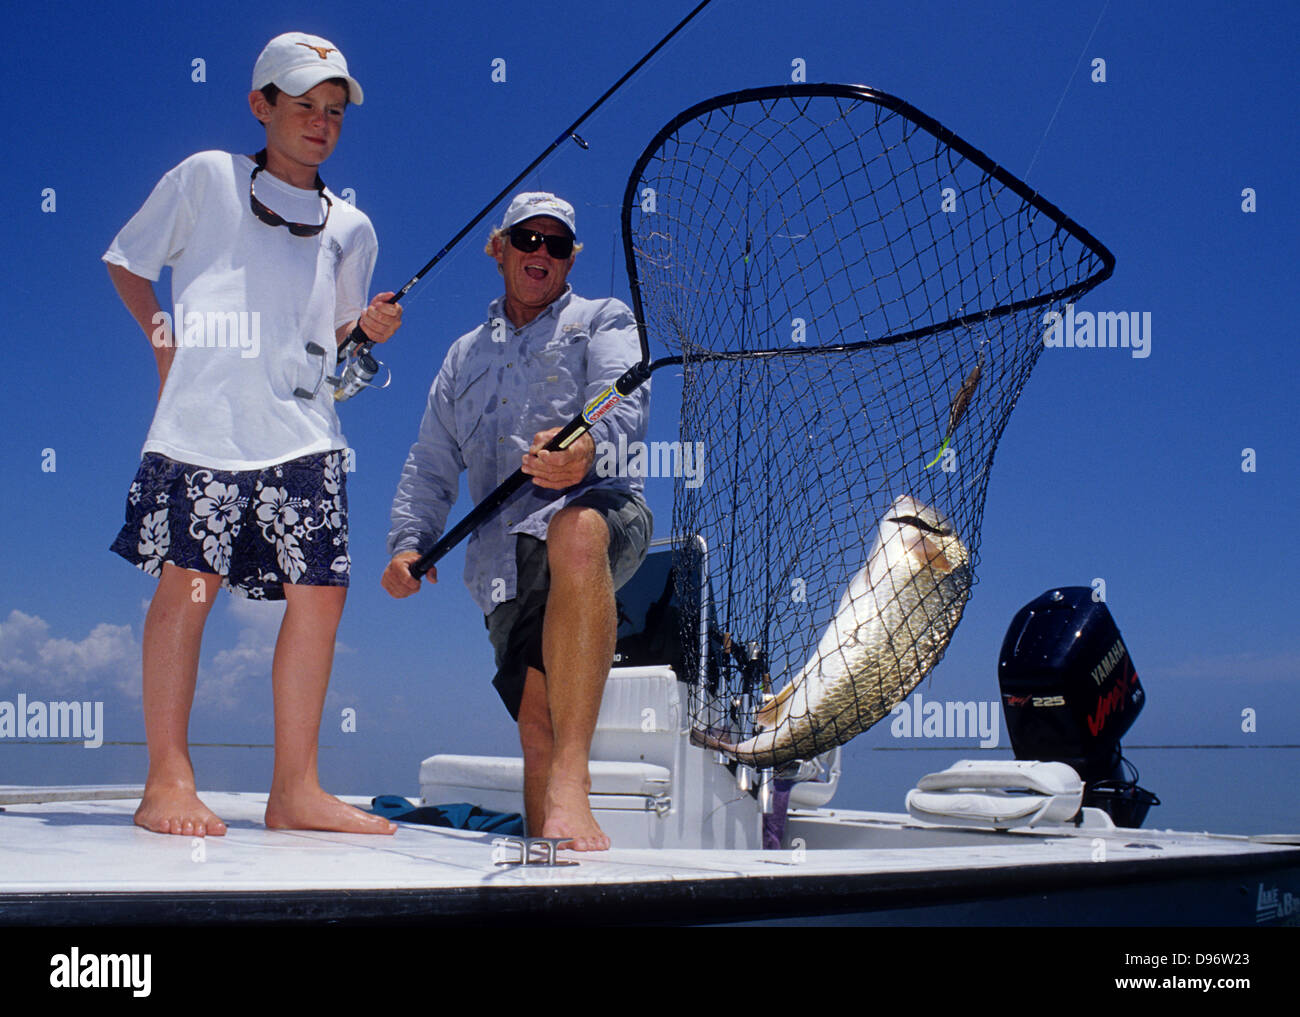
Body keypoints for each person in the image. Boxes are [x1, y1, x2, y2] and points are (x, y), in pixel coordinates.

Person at [104, 32, 401, 837]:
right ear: (260, 105)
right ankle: (166, 777)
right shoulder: (207, 176)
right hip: (203, 422)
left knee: (323, 593)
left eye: (334, 110)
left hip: (305, 430)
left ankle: (295, 788)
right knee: (189, 583)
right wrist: (165, 346)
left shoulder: (354, 226)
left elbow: (335, 348)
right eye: (303, 103)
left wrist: (366, 332)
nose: (320, 120)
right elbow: (127, 260)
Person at [382, 193, 652, 851]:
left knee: (575, 533)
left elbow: (626, 408)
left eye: (556, 244)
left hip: (600, 515)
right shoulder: (460, 358)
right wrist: (408, 542)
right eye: (526, 239)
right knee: (535, 721)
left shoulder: (602, 318)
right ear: (496, 247)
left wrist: (583, 448)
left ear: (571, 258)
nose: (540, 253)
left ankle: (572, 781)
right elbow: (431, 461)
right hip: (501, 563)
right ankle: (551, 862)